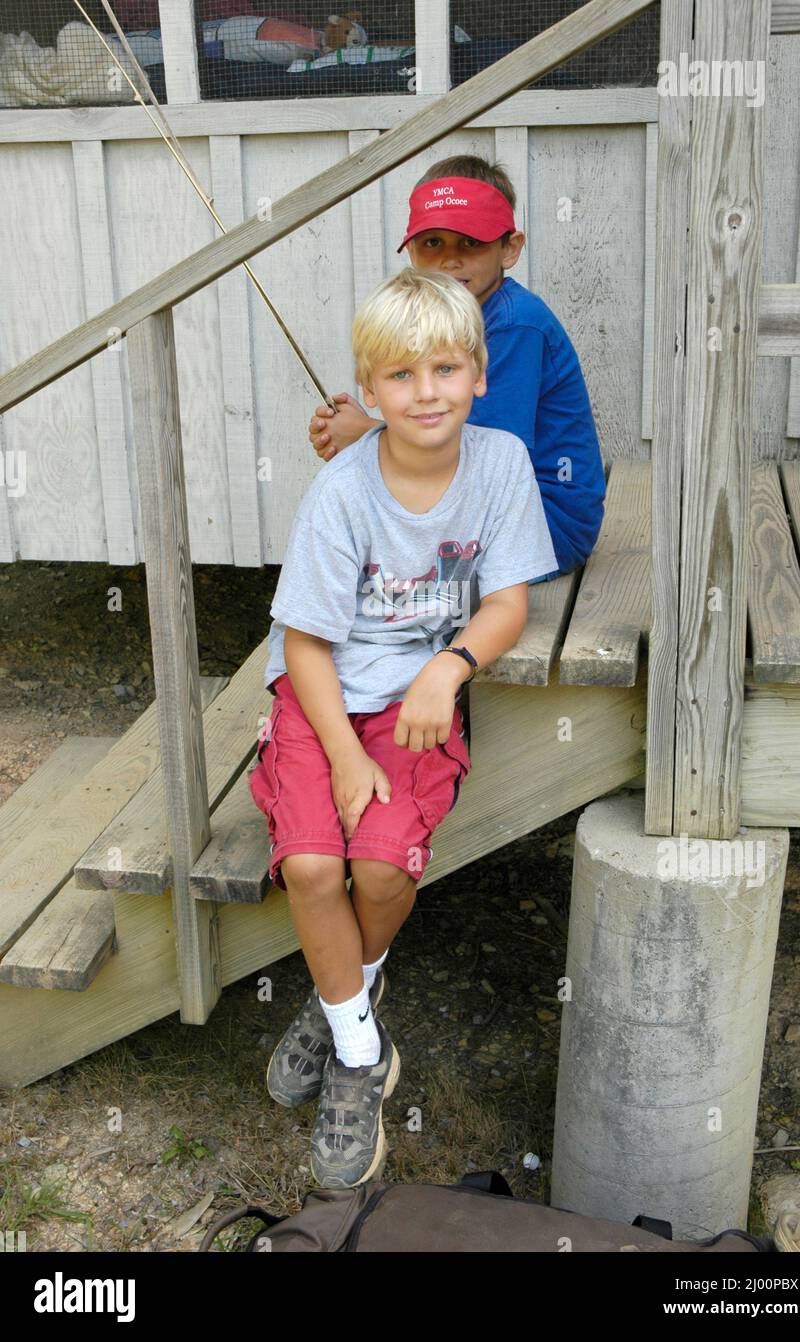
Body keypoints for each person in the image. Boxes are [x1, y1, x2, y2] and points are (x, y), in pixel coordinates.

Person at [249, 266, 558, 1189]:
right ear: (370, 391)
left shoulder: (500, 463)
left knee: (380, 867)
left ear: (477, 374)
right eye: (400, 377)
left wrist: (448, 667)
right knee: (311, 863)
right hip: (322, 696)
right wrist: (342, 753)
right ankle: (358, 1054)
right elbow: (303, 643)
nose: (426, 393)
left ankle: (341, 987)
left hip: (416, 700)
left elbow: (505, 600)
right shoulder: (344, 489)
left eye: (445, 369)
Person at [308, 153, 606, 583]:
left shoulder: (514, 324)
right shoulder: (445, 319)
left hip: (545, 522)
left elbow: (486, 457)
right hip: (494, 506)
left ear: (509, 248)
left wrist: (365, 436)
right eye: (433, 243)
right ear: (410, 249)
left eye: (471, 242)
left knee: (386, 575)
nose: (450, 260)